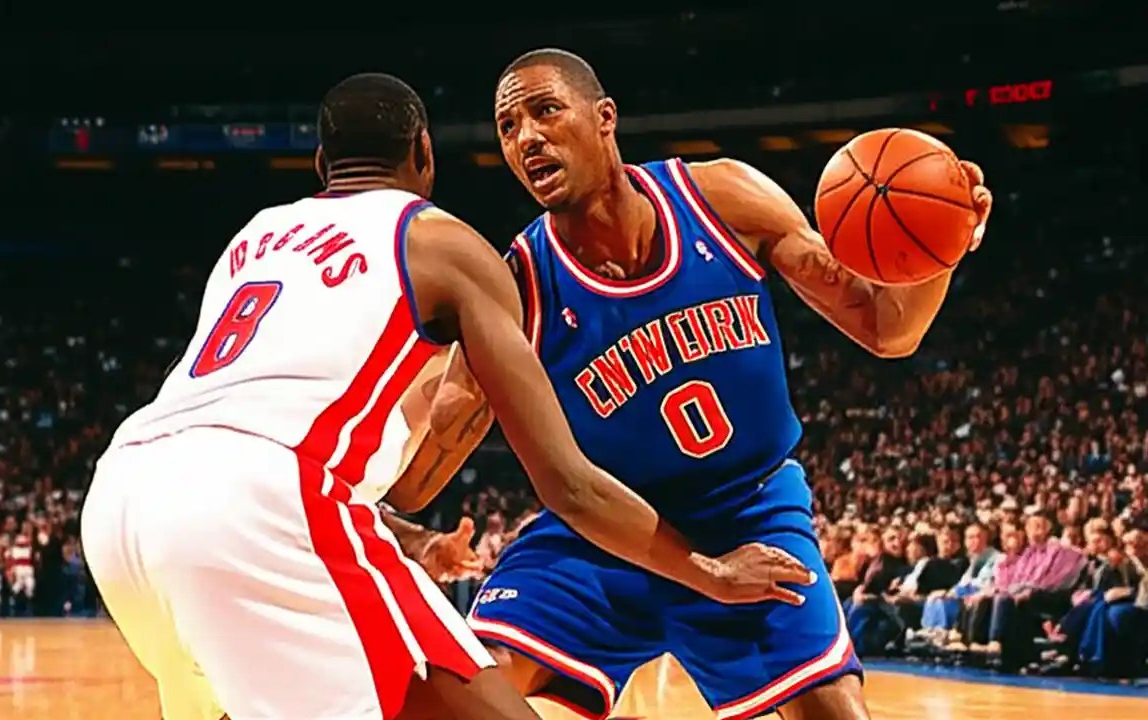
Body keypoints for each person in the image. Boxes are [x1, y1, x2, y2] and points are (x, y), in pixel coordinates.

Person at [79, 72, 811, 720]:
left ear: (319, 167)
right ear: (424, 156)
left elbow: (238, 441)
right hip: (260, 504)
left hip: (121, 502)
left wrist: (415, 539)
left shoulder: (253, 238)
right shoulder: (444, 243)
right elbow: (568, 486)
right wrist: (710, 571)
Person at [406, 49, 992, 719]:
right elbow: (421, 461)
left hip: (747, 510)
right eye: (509, 127)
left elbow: (890, 330)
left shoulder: (720, 198)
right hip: (603, 533)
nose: (527, 137)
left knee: (836, 712)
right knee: (454, 694)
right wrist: (405, 523)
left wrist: (942, 243)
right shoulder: (513, 285)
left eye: (545, 110)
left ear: (605, 118)